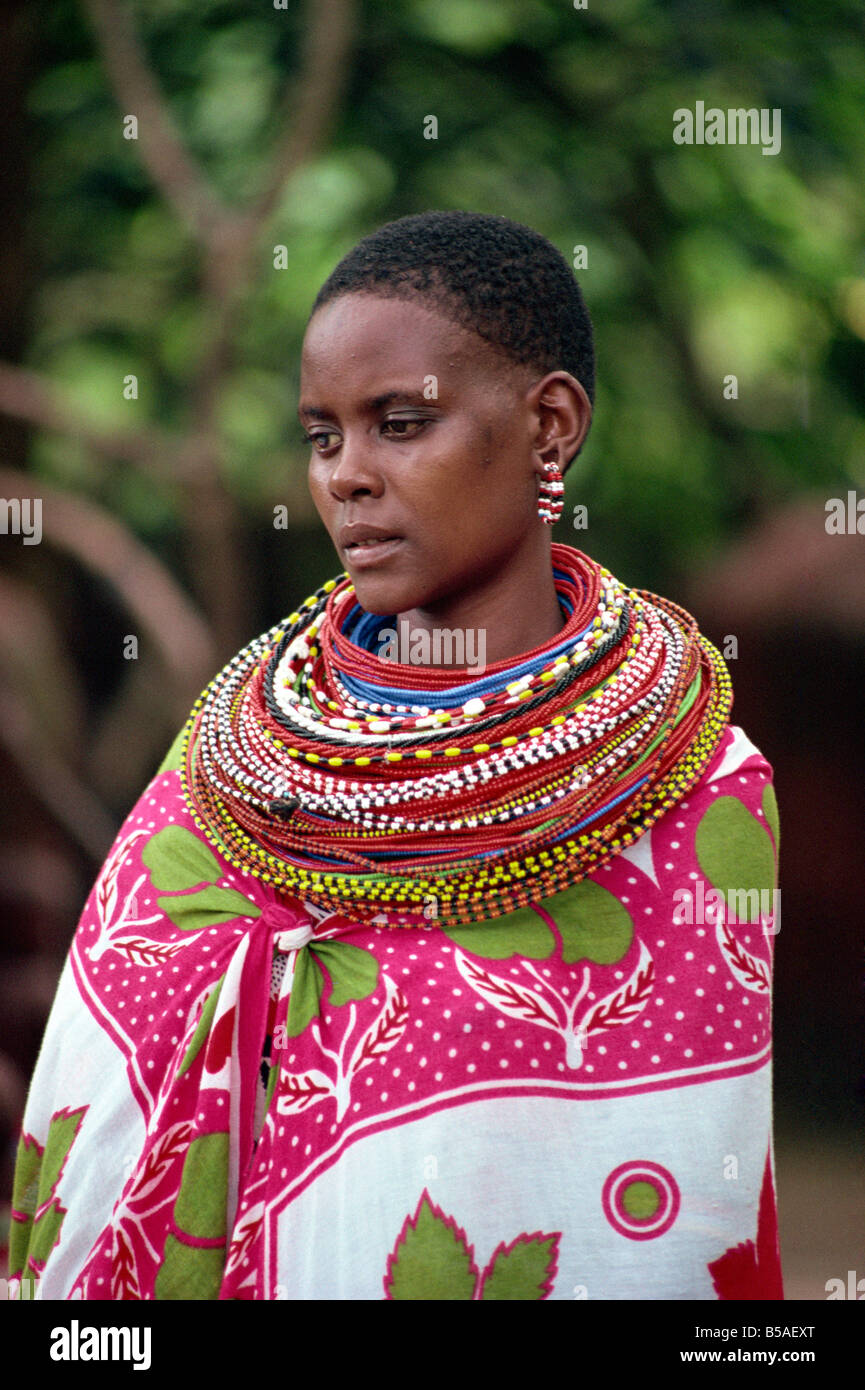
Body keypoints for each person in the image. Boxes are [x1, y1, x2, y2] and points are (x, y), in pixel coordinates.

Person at [8, 210, 783, 1300]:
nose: (346, 477)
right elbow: (98, 1116)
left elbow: (676, 1218)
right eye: (323, 435)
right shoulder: (232, 769)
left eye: (400, 423)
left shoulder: (693, 788)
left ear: (549, 424)